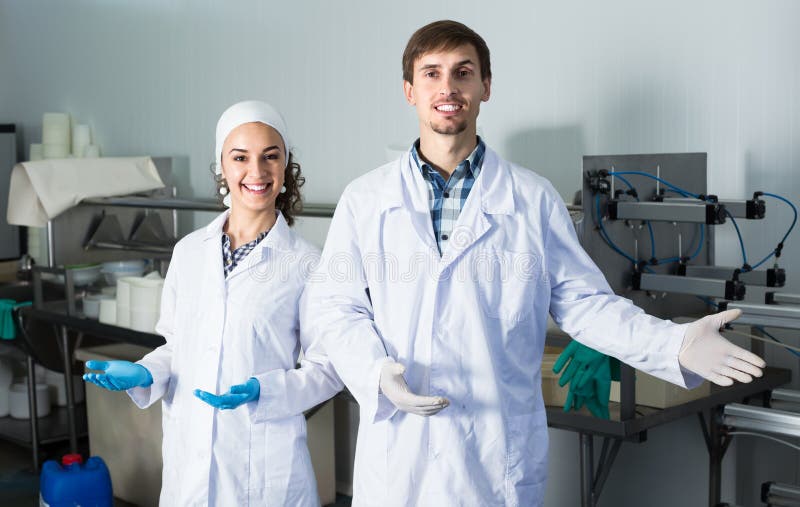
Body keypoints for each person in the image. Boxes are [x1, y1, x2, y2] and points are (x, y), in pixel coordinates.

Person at [302, 20, 765, 506]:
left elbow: (585, 305)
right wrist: (375, 373)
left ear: (485, 86)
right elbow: (336, 307)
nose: (448, 88)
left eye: (463, 73)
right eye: (431, 73)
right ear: (409, 90)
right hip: (401, 463)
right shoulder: (366, 200)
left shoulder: (531, 198)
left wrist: (673, 345)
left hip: (493, 459)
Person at [84, 100, 342, 506]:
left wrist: (264, 391)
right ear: (222, 166)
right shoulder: (189, 252)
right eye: (240, 157)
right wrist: (144, 372)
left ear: (286, 168)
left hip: (265, 471)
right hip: (190, 465)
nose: (256, 172)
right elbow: (177, 348)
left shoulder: (306, 263)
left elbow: (327, 369)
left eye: (270, 157)